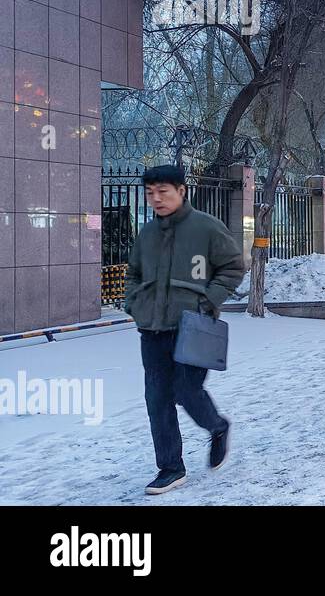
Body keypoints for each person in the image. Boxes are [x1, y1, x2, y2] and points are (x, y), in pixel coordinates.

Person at [125, 165, 246, 496]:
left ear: (182, 190)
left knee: (185, 390)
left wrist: (209, 300)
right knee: (157, 399)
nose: (156, 199)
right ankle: (170, 468)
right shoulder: (147, 233)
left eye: (163, 191)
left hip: (192, 328)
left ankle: (218, 427)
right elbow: (133, 273)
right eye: (150, 193)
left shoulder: (206, 228)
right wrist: (133, 302)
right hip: (151, 330)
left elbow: (234, 266)